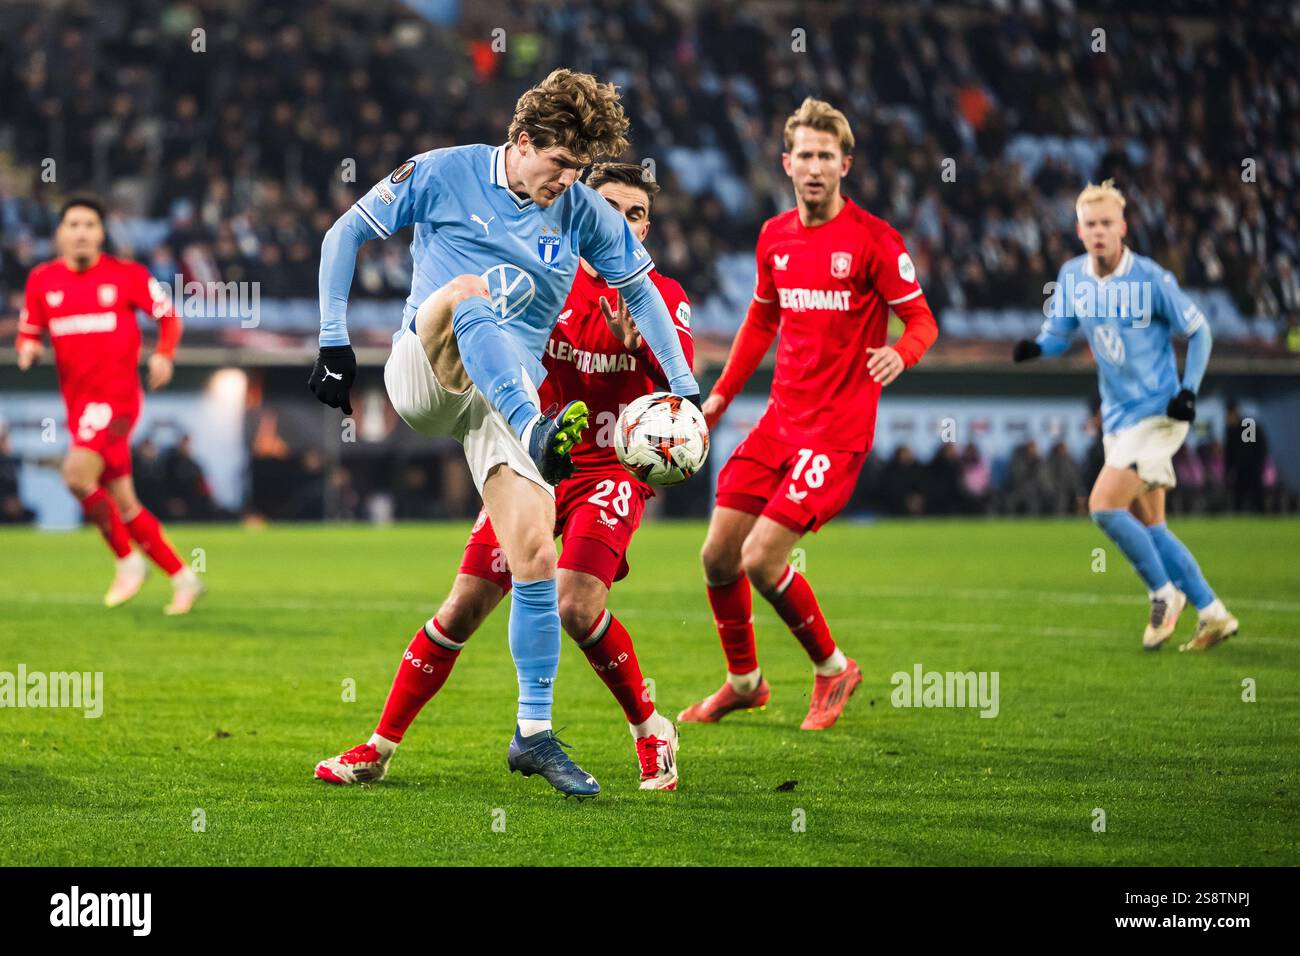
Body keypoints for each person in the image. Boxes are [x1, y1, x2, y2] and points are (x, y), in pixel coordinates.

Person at [308, 71, 698, 798]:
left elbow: (644, 288)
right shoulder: (445, 171)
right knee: (469, 296)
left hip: (504, 401)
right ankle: (535, 429)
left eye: (579, 171)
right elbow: (346, 231)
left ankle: (533, 732)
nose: (566, 184)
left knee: (535, 560)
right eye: (559, 166)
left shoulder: (580, 210)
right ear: (522, 143)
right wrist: (333, 342)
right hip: (428, 371)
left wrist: (685, 390)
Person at [681, 98, 938, 730]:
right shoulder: (774, 237)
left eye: (828, 156)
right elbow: (761, 320)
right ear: (787, 162)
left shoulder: (876, 240)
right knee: (717, 555)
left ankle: (832, 668)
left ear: (845, 165)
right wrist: (721, 394)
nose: (816, 167)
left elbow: (923, 320)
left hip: (838, 431)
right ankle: (744, 681)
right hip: (778, 422)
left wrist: (900, 354)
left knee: (761, 559)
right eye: (806, 155)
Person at [1013, 180, 1236, 652]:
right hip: (1118, 420)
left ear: (1123, 227)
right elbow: (1059, 335)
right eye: (1090, 224)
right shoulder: (1072, 277)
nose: (1099, 232)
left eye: (1107, 224)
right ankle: (1213, 612)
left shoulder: (1151, 278)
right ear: (1079, 230)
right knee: (1152, 527)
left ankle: (1164, 595)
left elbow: (1201, 332)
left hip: (1159, 414)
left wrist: (1190, 392)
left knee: (1102, 506)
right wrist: (1037, 347)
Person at [15, 196, 204, 614]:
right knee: (125, 502)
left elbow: (168, 317)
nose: (81, 232)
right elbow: (28, 330)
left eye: (89, 225)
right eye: (73, 224)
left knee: (76, 475)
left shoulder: (127, 276)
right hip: (78, 407)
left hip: (117, 401)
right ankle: (183, 577)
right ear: (60, 234)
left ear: (102, 233)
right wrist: (27, 348)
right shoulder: (42, 281)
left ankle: (126, 560)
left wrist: (163, 355)